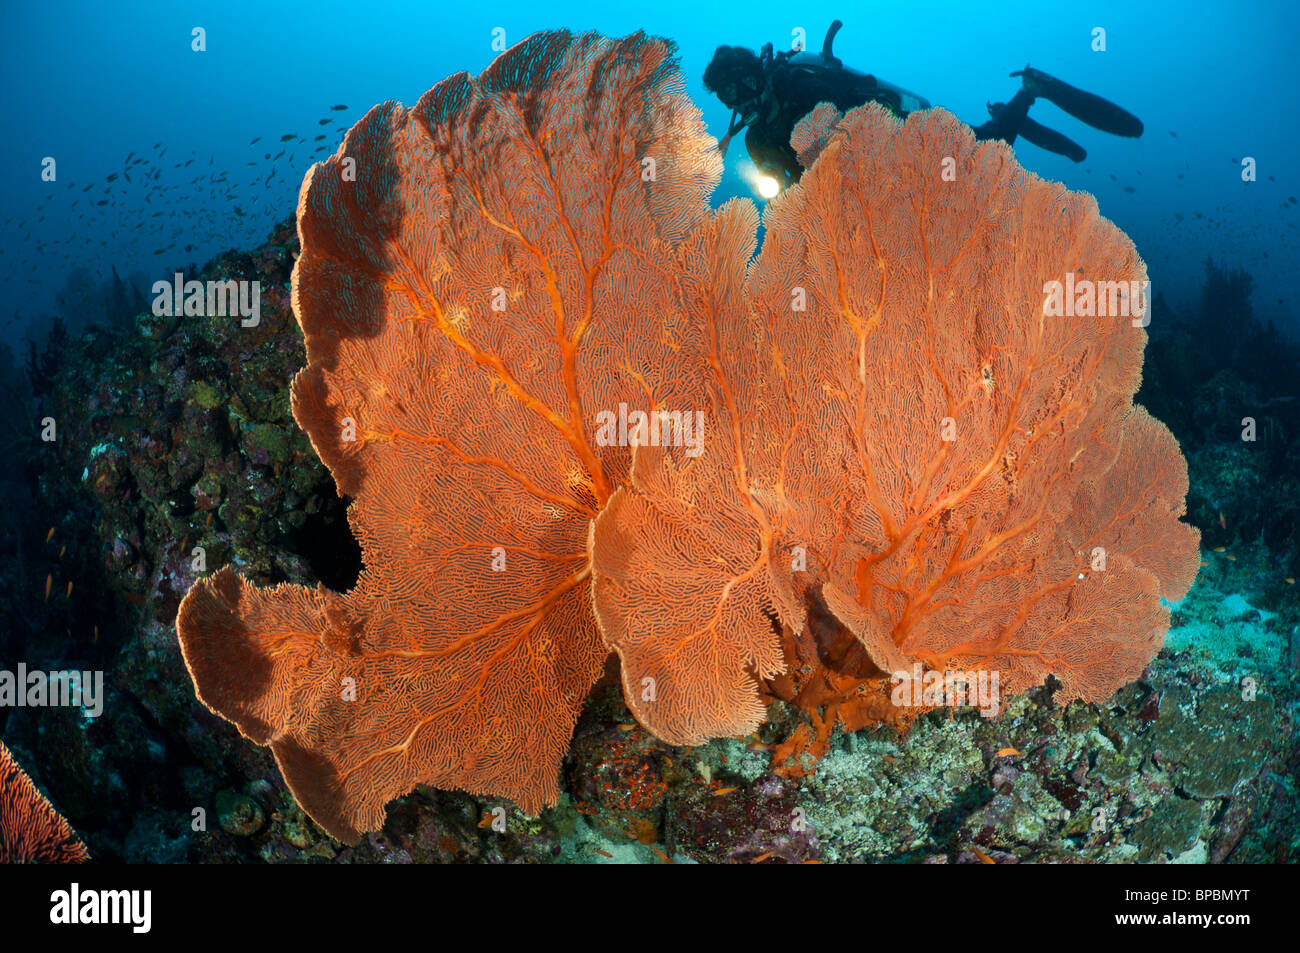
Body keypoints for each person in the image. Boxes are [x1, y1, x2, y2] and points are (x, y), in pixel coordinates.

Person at [704, 20, 1144, 194]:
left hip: (906, 140)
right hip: (872, 197)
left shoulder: (803, 86)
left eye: (742, 83)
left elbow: (864, 117)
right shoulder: (758, 138)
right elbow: (790, 194)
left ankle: (1031, 90)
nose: (739, 98)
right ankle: (1008, 111)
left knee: (982, 149)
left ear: (757, 74)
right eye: (728, 95)